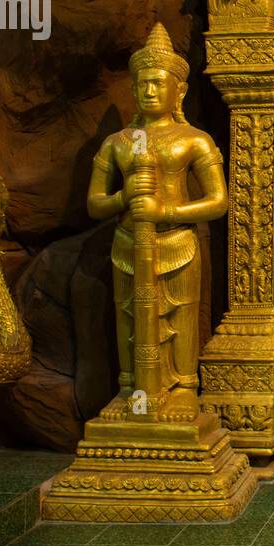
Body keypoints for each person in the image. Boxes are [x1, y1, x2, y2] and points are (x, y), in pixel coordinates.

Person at [86, 23, 228, 422]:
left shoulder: (194, 140)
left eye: (157, 84)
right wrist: (122, 199)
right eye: (142, 84)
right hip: (128, 243)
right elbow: (94, 203)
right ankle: (130, 387)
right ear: (132, 88)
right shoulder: (118, 142)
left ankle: (183, 387)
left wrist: (166, 212)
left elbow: (219, 201)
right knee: (128, 315)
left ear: (177, 91)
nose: (149, 91)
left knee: (180, 317)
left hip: (176, 243)